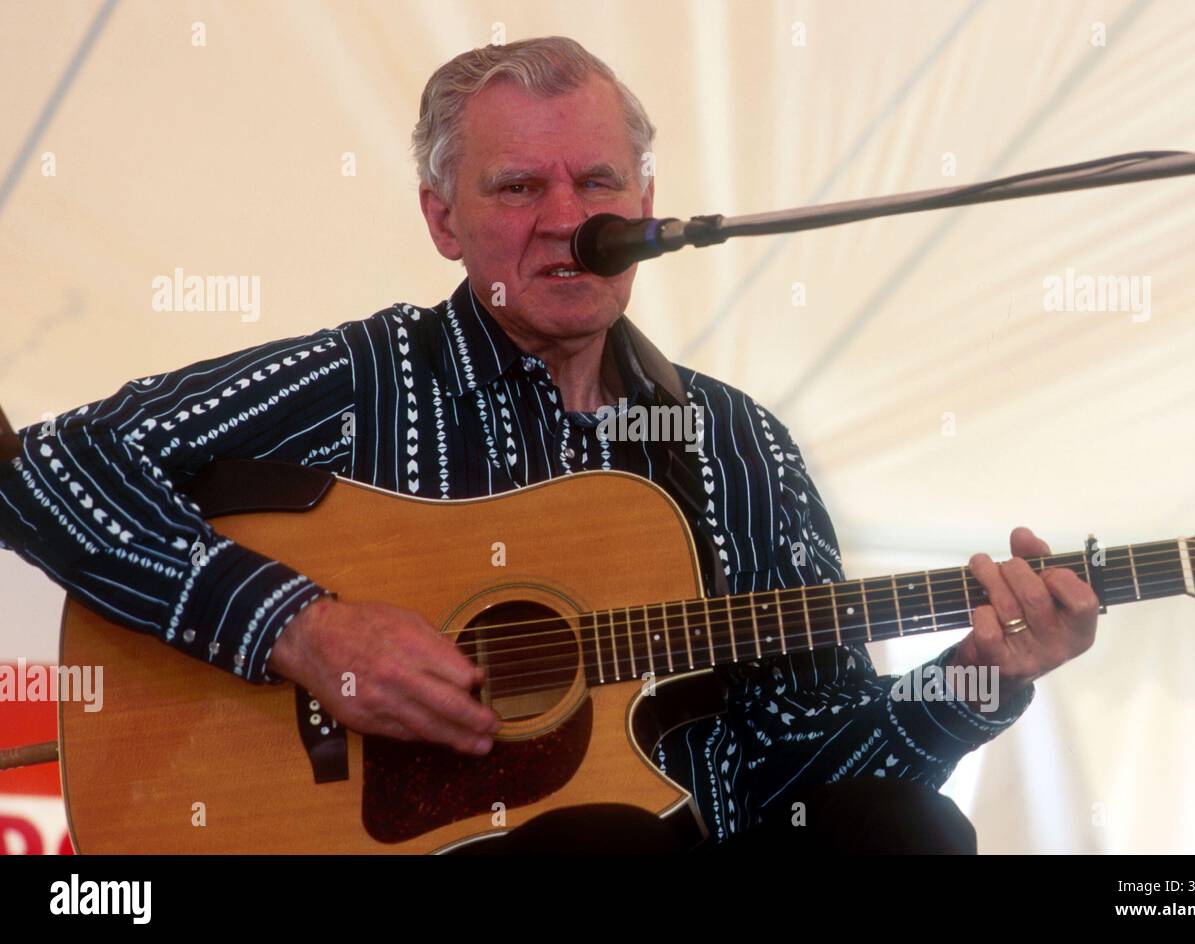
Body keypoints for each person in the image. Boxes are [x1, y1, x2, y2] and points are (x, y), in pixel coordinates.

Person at [0, 36, 1097, 852]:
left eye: (599, 184)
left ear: (650, 204)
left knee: (909, 829)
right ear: (442, 220)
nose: (568, 219)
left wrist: (972, 678)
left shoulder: (733, 443)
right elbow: (39, 474)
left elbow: (802, 758)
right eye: (519, 187)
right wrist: (301, 626)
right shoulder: (359, 381)